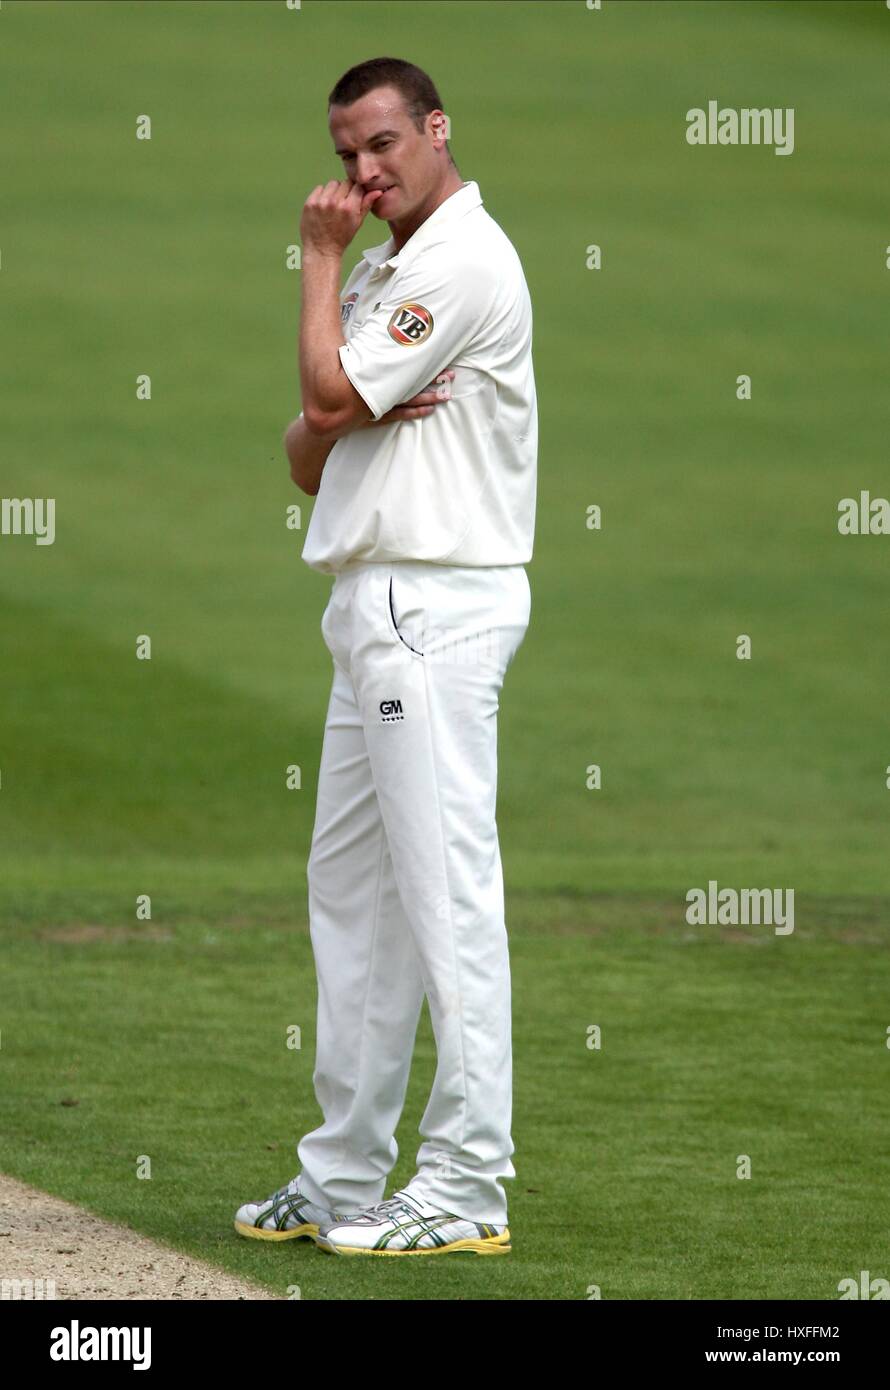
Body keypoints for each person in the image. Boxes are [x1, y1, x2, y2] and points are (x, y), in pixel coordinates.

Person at [235, 56, 537, 1257]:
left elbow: (322, 390)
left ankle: (467, 1184)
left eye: (379, 144)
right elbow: (307, 448)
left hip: (434, 603)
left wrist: (315, 272)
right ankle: (348, 1171)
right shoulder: (390, 270)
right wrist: (339, 395)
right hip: (373, 606)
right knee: (353, 900)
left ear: (435, 129)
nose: (360, 172)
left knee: (444, 898)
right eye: (344, 151)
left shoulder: (460, 261)